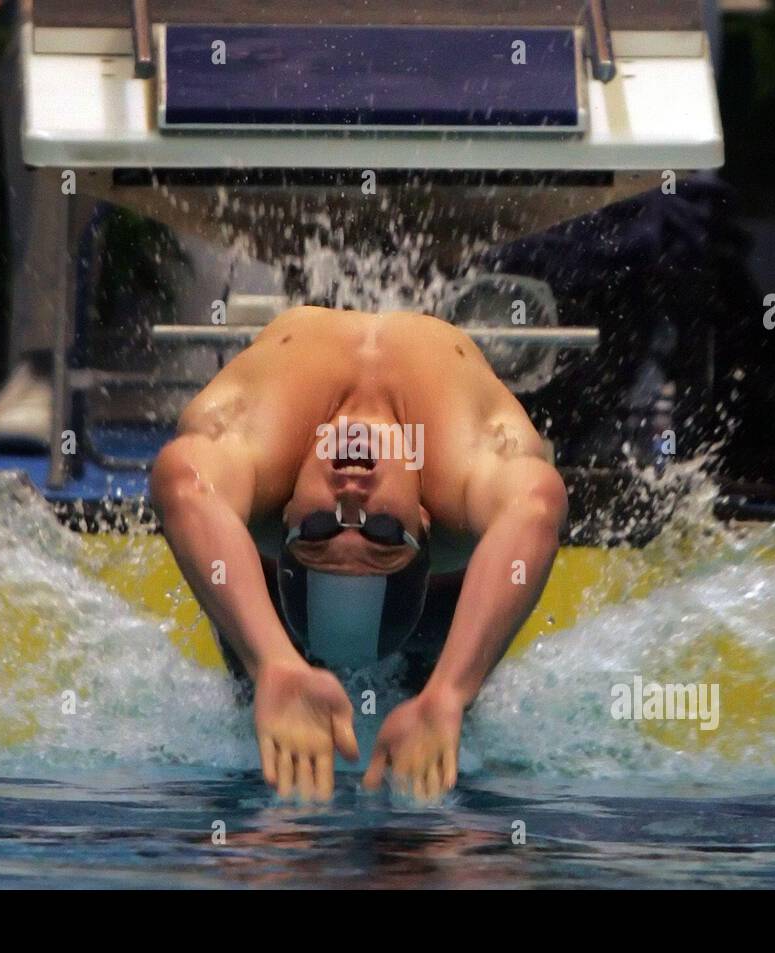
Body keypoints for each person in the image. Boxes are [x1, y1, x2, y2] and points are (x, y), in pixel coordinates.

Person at [151, 306, 567, 803]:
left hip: (291, 572)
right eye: (385, 532)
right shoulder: (459, 475)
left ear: (285, 518)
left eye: (320, 527)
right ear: (422, 519)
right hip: (438, 581)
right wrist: (449, 694)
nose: (350, 500)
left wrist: (271, 664)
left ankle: (288, 684)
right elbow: (538, 507)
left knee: (260, 653)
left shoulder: (260, 456)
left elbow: (181, 482)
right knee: (439, 677)